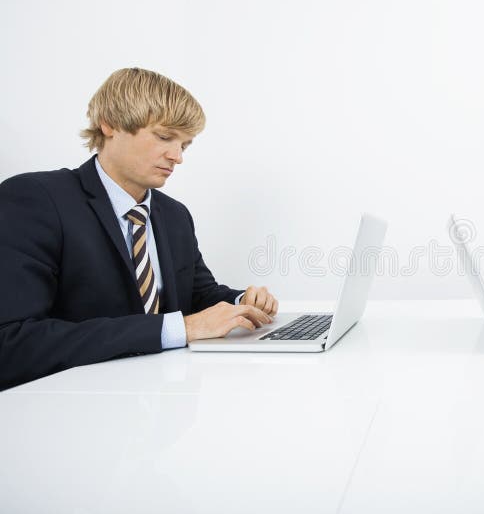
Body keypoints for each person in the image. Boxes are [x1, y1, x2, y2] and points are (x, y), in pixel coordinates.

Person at [0, 68, 278, 390]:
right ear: (110, 125)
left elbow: (198, 296)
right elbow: (12, 341)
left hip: (161, 401)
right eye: (164, 137)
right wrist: (180, 329)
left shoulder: (174, 216)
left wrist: (243, 302)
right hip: (72, 407)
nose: (176, 157)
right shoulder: (36, 199)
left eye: (184, 146)